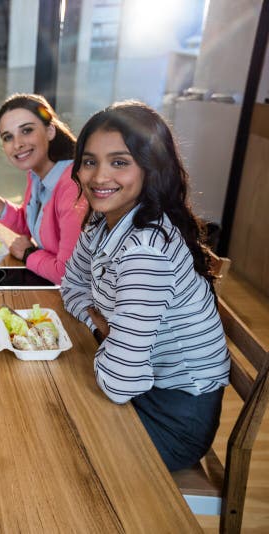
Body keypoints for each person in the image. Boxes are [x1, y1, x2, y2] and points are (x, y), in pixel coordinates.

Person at [60, 101, 230, 472]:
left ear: (150, 168)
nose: (99, 176)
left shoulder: (145, 252)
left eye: (119, 162)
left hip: (172, 416)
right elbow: (71, 287)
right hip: (141, 385)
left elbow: (121, 382)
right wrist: (103, 329)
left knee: (57, 449)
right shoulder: (103, 222)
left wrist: (114, 341)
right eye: (89, 161)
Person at [0, 93, 87, 285]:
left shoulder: (72, 186)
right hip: (49, 282)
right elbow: (33, 224)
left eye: (27, 130)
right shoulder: (37, 174)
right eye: (8, 137)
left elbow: (69, 273)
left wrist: (29, 254)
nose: (17, 144)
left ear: (50, 130)